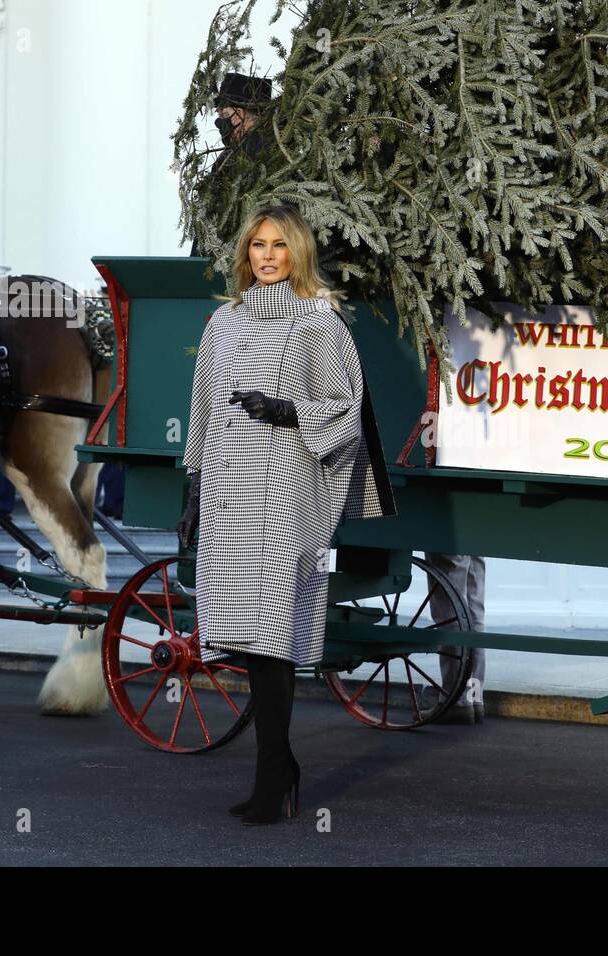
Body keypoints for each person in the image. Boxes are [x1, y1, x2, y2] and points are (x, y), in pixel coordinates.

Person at [177, 204, 396, 826]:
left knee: (274, 633)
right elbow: (202, 406)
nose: (267, 256)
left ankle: (275, 772)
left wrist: (284, 410)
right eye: (257, 246)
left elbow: (346, 406)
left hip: (287, 491)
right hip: (227, 490)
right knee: (243, 633)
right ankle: (277, 768)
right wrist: (192, 486)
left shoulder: (319, 321)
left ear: (297, 252)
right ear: (245, 254)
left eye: (279, 245)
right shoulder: (222, 322)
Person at [188, 73, 272, 258]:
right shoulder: (229, 157)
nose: (221, 122)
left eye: (225, 114)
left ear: (241, 113)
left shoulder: (264, 156)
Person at [423, 554, 487, 723]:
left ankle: (457, 701)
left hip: (449, 531)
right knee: (474, 610)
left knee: (449, 609)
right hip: (477, 529)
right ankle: (474, 696)